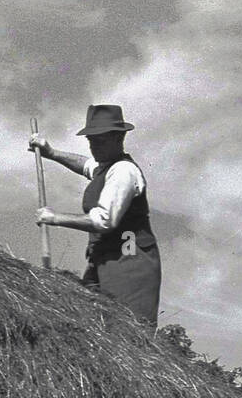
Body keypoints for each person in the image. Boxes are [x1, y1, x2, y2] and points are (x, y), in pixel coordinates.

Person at [28, 104, 161, 328]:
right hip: (104, 261)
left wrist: (54, 218)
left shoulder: (123, 172)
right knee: (97, 325)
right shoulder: (105, 166)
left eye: (100, 140)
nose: (94, 147)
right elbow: (86, 166)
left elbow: (104, 220)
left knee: (128, 331)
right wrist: (52, 152)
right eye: (91, 141)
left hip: (130, 264)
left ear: (119, 138)